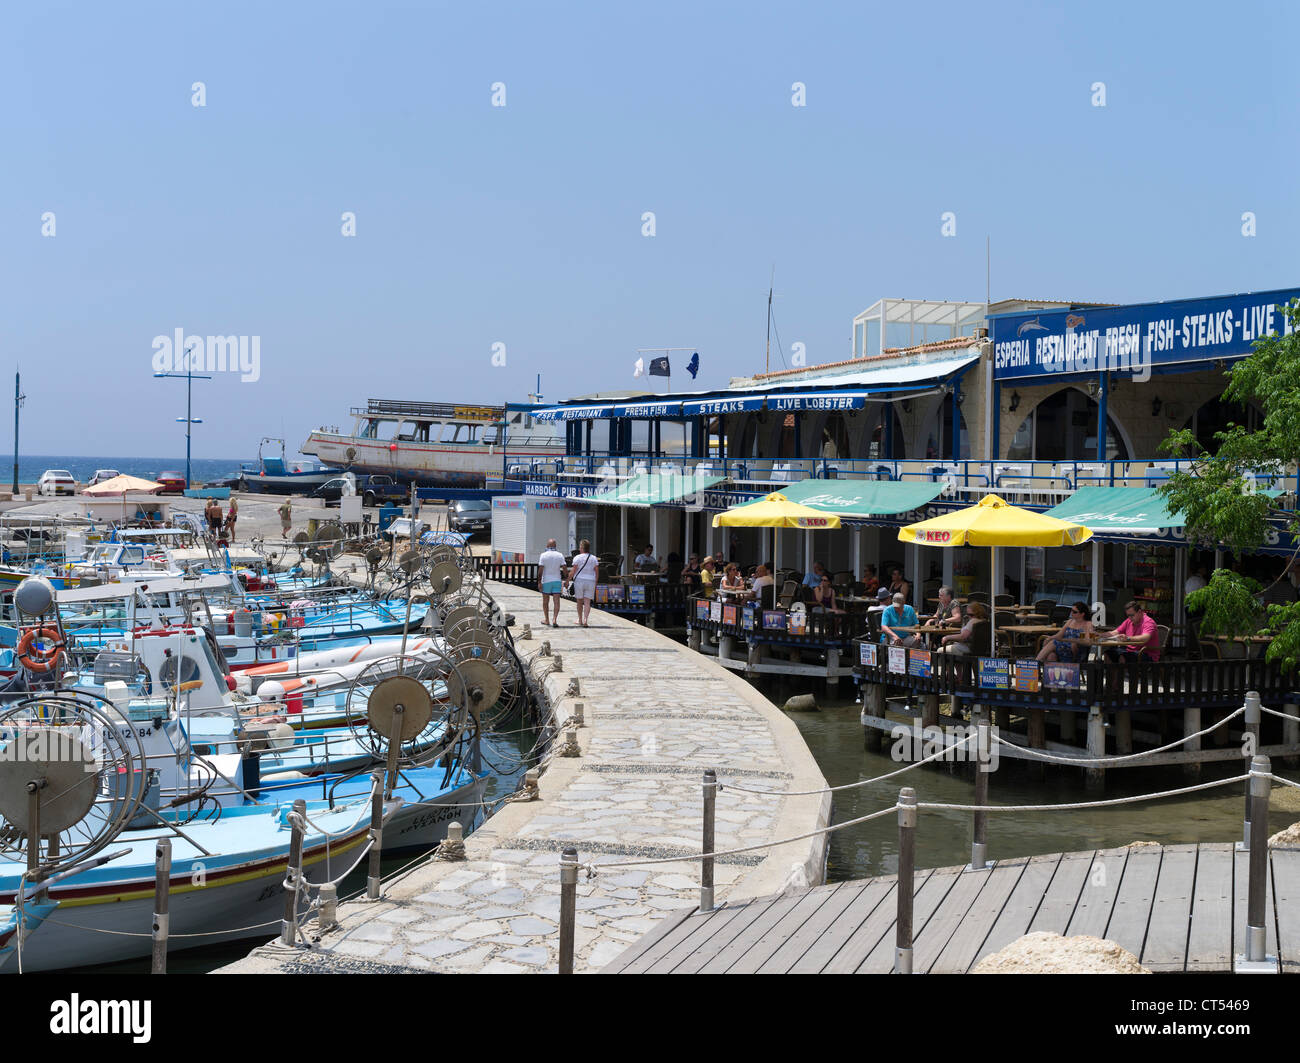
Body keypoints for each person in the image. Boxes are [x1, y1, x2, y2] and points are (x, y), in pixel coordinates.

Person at [569, 538, 598, 628]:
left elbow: (573, 570)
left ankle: (580, 619)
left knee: (579, 602)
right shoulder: (593, 558)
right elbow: (597, 571)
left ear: (581, 548)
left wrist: (567, 580)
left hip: (580, 581)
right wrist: (595, 582)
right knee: (587, 602)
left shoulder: (577, 557)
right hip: (590, 581)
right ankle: (585, 619)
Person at [538, 538, 566, 627]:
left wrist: (539, 582)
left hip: (546, 581)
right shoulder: (560, 555)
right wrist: (566, 578)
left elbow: (540, 570)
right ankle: (554, 619)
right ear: (555, 546)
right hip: (557, 580)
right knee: (556, 602)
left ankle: (547, 619)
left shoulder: (543, 555)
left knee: (545, 601)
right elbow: (564, 568)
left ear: (547, 546)